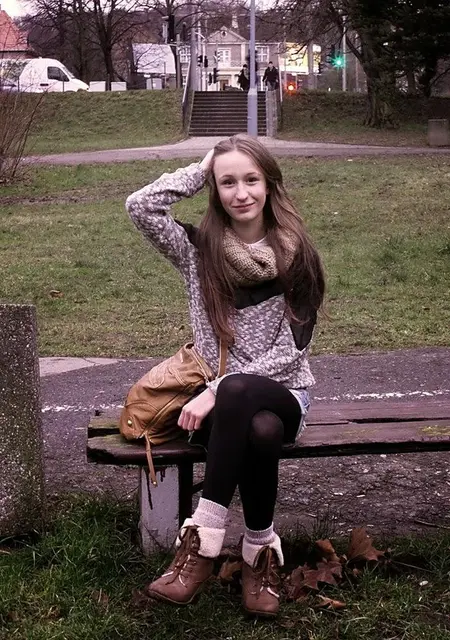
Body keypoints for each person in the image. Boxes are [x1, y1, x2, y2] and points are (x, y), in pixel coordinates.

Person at [125, 134, 325, 618]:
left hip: (283, 393)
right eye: (227, 182)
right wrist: (201, 168)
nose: (241, 193)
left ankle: (200, 545)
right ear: (213, 189)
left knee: (245, 396)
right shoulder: (197, 251)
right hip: (228, 414)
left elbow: (292, 353)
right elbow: (140, 206)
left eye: (251, 179)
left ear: (269, 184)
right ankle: (260, 556)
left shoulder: (298, 255)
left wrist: (218, 389)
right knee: (262, 430)